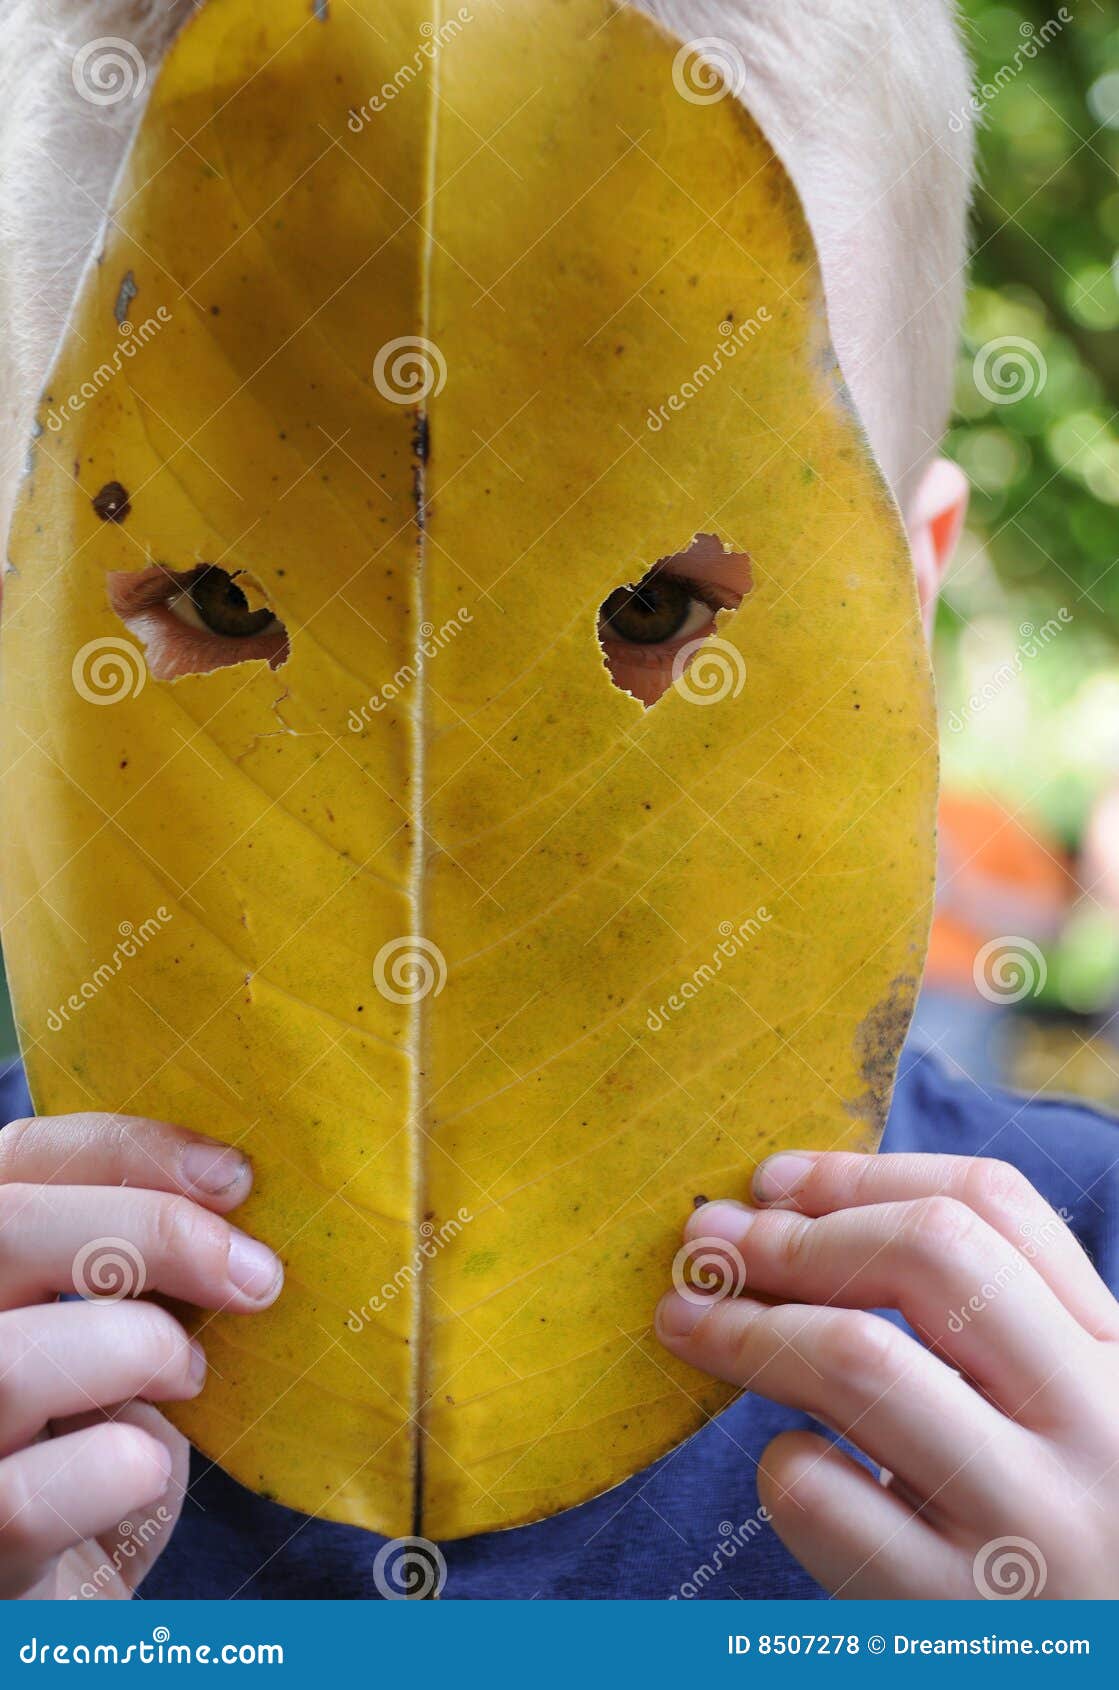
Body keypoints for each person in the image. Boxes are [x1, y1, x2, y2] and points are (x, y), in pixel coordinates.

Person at [0, 0, 1116, 1602]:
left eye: (653, 609)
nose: (441, 785)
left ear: (904, 621)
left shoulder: (1092, 1324)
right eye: (231, 602)